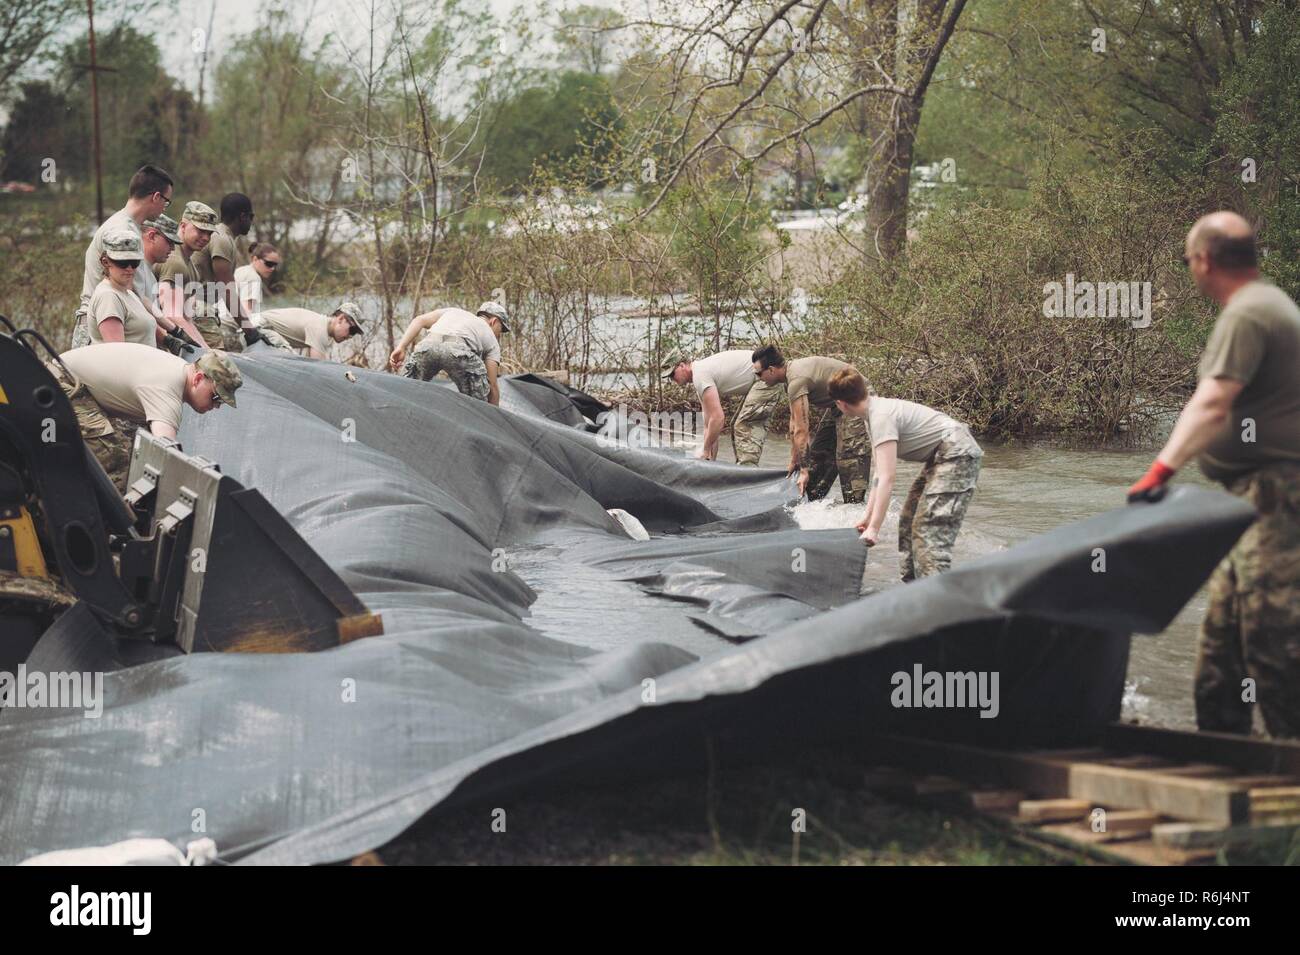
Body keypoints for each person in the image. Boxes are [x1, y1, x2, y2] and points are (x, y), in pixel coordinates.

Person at [1128, 211, 1300, 739]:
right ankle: (1223, 751)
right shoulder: (1264, 305)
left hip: (1278, 496)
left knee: (1273, 638)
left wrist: (1159, 472)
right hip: (1251, 499)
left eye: (1188, 260)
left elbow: (1212, 403)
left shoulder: (1249, 312)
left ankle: (1289, 760)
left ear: (1204, 260)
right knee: (1222, 646)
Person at [829, 367, 983, 581]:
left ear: (841, 404)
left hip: (958, 451)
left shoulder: (880, 417)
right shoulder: (871, 414)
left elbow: (888, 478)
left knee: (928, 531)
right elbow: (878, 474)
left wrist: (874, 529)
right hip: (942, 454)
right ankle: (912, 587)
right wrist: (868, 518)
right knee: (908, 521)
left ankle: (936, 594)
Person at [49, 344, 241, 492]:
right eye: (216, 397)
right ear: (198, 379)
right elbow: (167, 454)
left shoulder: (178, 371)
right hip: (63, 382)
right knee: (118, 462)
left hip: (71, 381)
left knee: (134, 451)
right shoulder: (168, 387)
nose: (217, 406)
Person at [750, 344, 872, 503]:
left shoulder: (797, 380)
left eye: (759, 373)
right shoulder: (790, 380)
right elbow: (794, 425)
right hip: (838, 405)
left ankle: (855, 509)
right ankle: (814, 505)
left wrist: (803, 470)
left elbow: (802, 430)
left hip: (859, 400)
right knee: (819, 455)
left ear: (771, 369)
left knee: (849, 459)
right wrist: (794, 461)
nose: (759, 378)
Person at [72, 164, 174, 348]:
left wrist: (169, 335)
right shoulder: (121, 231)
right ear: (156, 197)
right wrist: (173, 332)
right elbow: (135, 294)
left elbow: (136, 298)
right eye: (166, 202)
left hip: (123, 322)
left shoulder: (130, 227)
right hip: (105, 327)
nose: (164, 209)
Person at [662, 347, 782, 463]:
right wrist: (708, 459)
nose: (672, 379)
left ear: (682, 366)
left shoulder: (700, 376)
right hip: (759, 379)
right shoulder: (700, 377)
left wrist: (705, 450)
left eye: (672, 374)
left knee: (743, 426)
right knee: (734, 425)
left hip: (766, 376)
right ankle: (740, 465)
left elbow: (718, 418)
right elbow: (709, 425)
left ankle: (748, 469)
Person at [389, 301, 509, 405]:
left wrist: (401, 347)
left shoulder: (453, 312)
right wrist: (494, 417)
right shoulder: (492, 339)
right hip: (458, 351)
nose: (499, 334)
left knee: (408, 390)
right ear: (494, 321)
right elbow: (493, 386)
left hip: (428, 346)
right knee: (476, 404)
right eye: (501, 329)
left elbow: (419, 320)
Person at [85, 231, 162, 348]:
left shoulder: (128, 293)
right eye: (123, 262)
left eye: (134, 262)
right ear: (105, 262)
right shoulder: (108, 297)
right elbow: (118, 352)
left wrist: (170, 341)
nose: (129, 268)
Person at [158, 202, 220, 346]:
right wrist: (204, 352)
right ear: (183, 226)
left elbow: (187, 318)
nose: (206, 238)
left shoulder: (190, 266)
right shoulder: (174, 261)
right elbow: (172, 315)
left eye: (209, 233)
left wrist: (206, 350)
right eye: (201, 231)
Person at [142, 213, 204, 349]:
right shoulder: (136, 271)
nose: (172, 248)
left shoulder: (147, 273)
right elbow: (172, 315)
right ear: (152, 236)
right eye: (169, 242)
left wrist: (205, 349)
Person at [259, 302, 364, 359]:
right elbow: (319, 368)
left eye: (354, 333)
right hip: (257, 327)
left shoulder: (322, 326)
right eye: (352, 330)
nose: (350, 336)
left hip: (259, 328)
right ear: (341, 319)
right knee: (290, 361)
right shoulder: (320, 328)